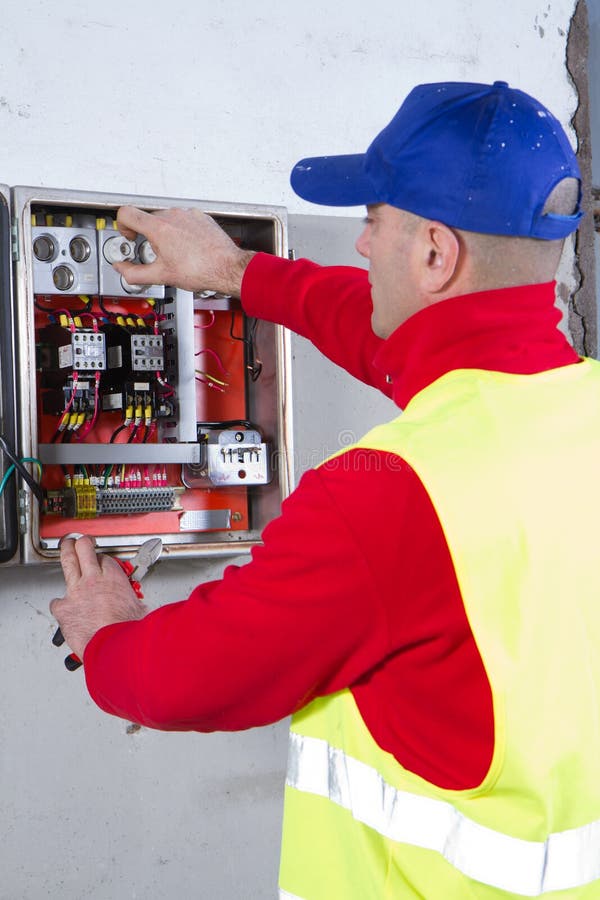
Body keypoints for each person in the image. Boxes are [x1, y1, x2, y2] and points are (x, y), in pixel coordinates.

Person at [50, 80, 600, 899]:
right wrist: (238, 271)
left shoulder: (386, 495)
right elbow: (403, 344)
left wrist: (107, 632)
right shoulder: (574, 408)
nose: (361, 247)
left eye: (372, 221)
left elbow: (184, 678)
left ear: (434, 253)